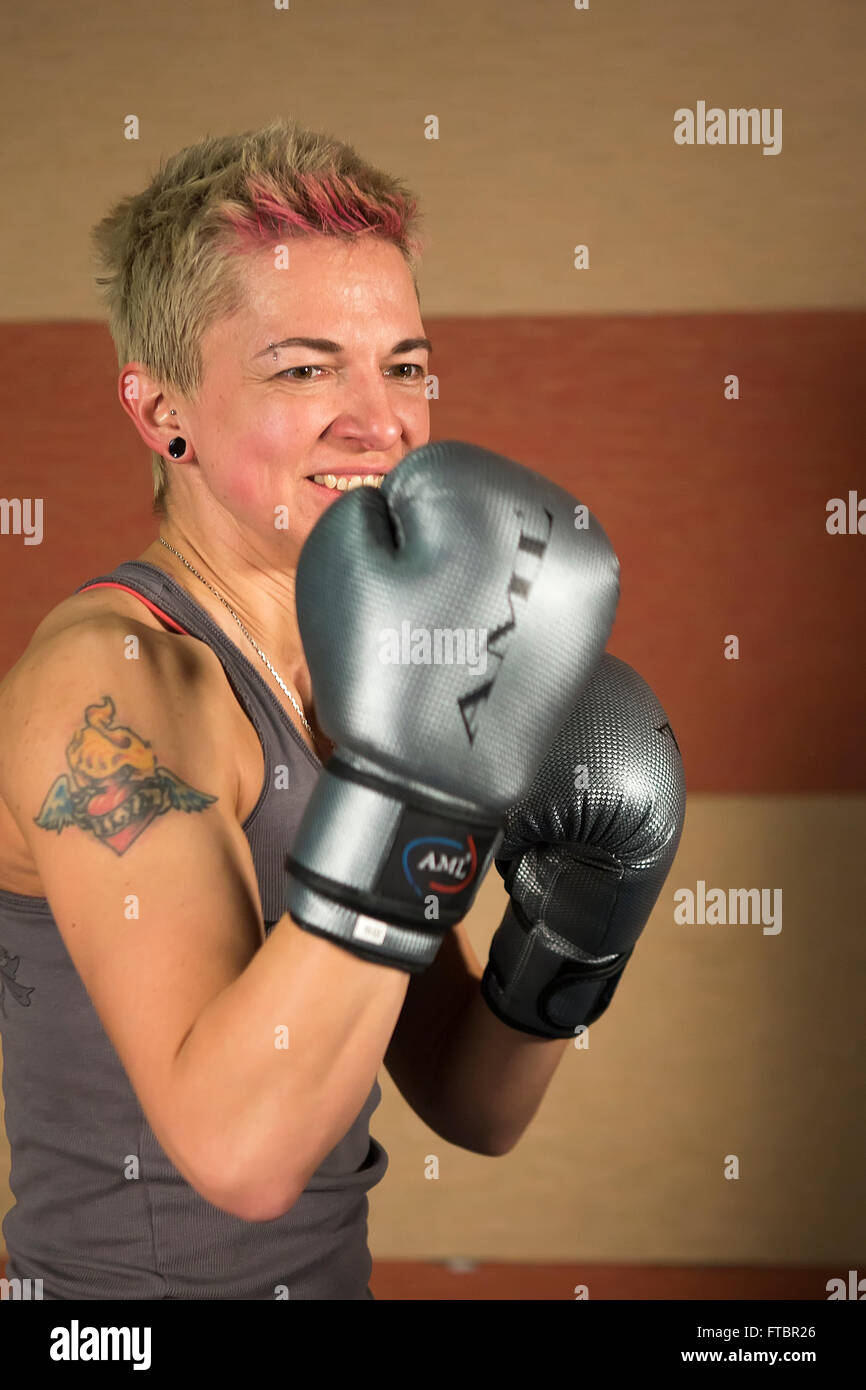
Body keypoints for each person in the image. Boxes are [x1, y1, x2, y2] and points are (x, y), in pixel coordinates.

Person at [0, 118, 684, 1302]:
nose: (381, 422)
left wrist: (580, 925)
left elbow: (471, 1103)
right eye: (303, 367)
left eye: (404, 364)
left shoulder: (350, 676)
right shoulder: (116, 680)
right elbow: (241, 1159)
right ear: (161, 411)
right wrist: (418, 785)